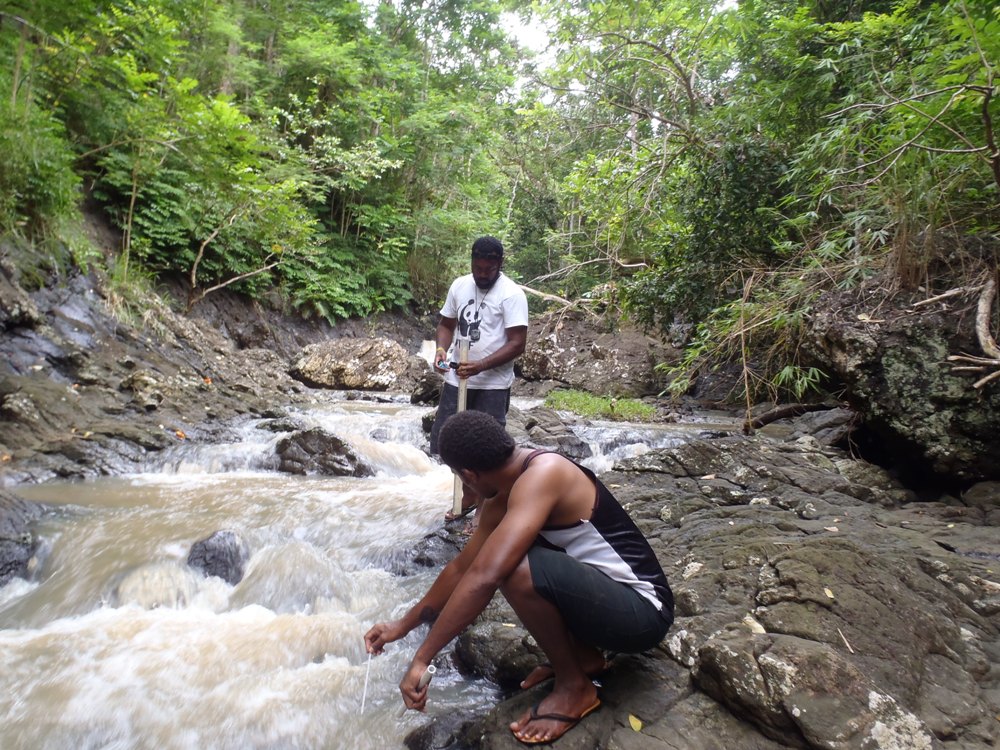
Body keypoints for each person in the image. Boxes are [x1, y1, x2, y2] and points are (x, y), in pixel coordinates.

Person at [364, 410, 674, 745]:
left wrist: (422, 658)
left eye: (460, 478)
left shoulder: (545, 474)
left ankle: (574, 688)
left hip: (644, 614)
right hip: (606, 605)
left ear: (469, 474)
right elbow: (462, 568)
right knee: (507, 560)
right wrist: (402, 626)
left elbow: (485, 576)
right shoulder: (506, 491)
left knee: (514, 568)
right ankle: (584, 659)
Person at [429, 236, 528, 522]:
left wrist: (481, 365)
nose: (482, 274)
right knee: (446, 443)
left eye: (489, 269)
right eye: (478, 268)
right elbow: (446, 324)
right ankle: (470, 494)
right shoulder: (460, 286)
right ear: (472, 262)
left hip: (492, 386)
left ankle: (487, 510)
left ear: (500, 264)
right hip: (456, 381)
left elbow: (517, 343)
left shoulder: (511, 294)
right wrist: (440, 350)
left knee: (488, 452)